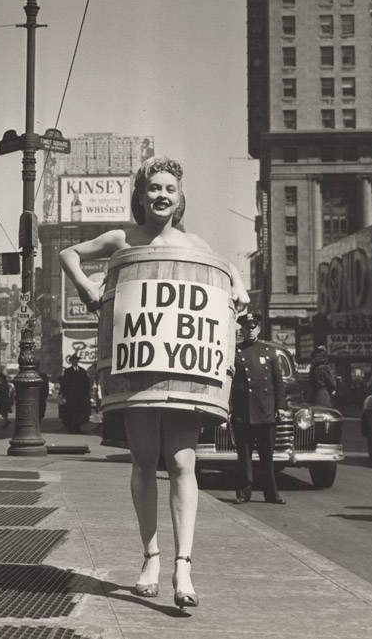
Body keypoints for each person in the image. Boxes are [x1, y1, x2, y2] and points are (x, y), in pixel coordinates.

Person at [59, 156, 249, 607]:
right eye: (154, 188)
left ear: (180, 197)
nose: (162, 196)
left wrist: (239, 283)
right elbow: (68, 254)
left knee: (183, 462)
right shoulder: (121, 238)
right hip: (136, 366)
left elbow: (224, 271)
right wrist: (87, 288)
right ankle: (151, 556)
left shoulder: (193, 243)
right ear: (141, 196)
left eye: (170, 189)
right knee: (144, 461)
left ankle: (184, 566)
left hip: (184, 368)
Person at [231, 312, 287, 506]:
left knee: (267, 457)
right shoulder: (234, 352)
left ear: (259, 328)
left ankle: (271, 493)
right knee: (244, 457)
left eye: (253, 326)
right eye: (247, 327)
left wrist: (280, 407)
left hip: (265, 411)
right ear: (242, 329)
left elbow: (278, 382)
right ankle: (244, 492)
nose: (250, 330)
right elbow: (228, 382)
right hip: (243, 411)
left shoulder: (269, 351)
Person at [59, 354, 90, 432]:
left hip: (81, 396)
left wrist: (87, 394)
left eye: (76, 360)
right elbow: (64, 383)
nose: (75, 362)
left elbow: (86, 383)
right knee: (71, 411)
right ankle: (72, 427)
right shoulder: (68, 371)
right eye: (73, 360)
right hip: (71, 396)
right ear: (71, 362)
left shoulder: (82, 371)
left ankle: (78, 427)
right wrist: (63, 394)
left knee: (80, 411)